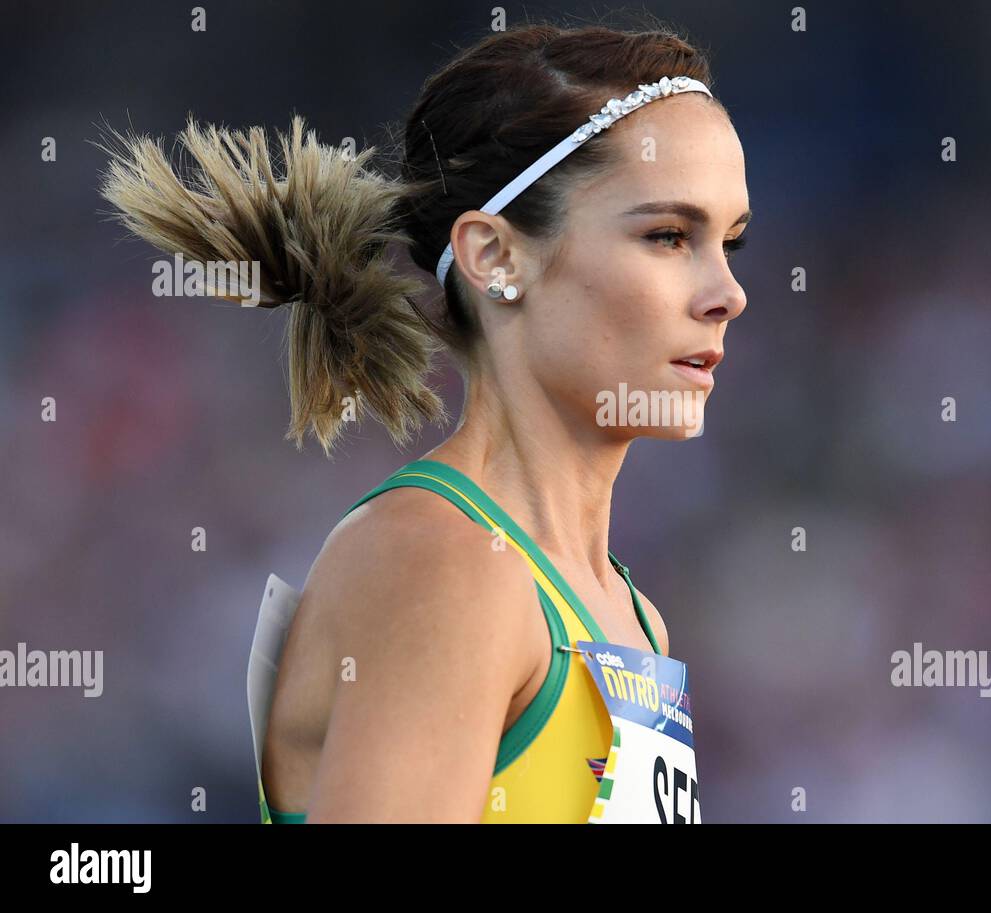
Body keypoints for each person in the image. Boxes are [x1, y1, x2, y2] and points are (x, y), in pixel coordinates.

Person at [99, 20, 750, 823]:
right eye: (668, 235)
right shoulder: (446, 562)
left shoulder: (632, 614)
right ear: (494, 256)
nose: (728, 292)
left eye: (732, 242)